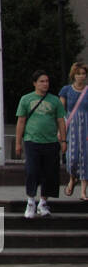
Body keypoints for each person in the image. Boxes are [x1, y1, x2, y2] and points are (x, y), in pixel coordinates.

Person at [15, 70, 66, 217]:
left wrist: (63, 140)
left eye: (47, 81)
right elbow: (21, 121)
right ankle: (30, 201)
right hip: (32, 140)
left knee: (49, 173)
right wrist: (18, 142)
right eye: (42, 81)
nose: (45, 84)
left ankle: (43, 202)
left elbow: (61, 121)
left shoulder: (55, 100)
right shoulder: (26, 99)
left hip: (50, 141)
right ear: (35, 83)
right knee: (32, 170)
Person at [59, 62, 88, 201]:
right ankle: (72, 178)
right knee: (72, 158)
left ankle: (83, 191)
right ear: (73, 75)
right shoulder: (66, 90)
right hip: (71, 126)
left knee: (85, 158)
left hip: (86, 127)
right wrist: (61, 129)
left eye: (83, 74)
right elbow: (60, 111)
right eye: (78, 74)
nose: (81, 76)